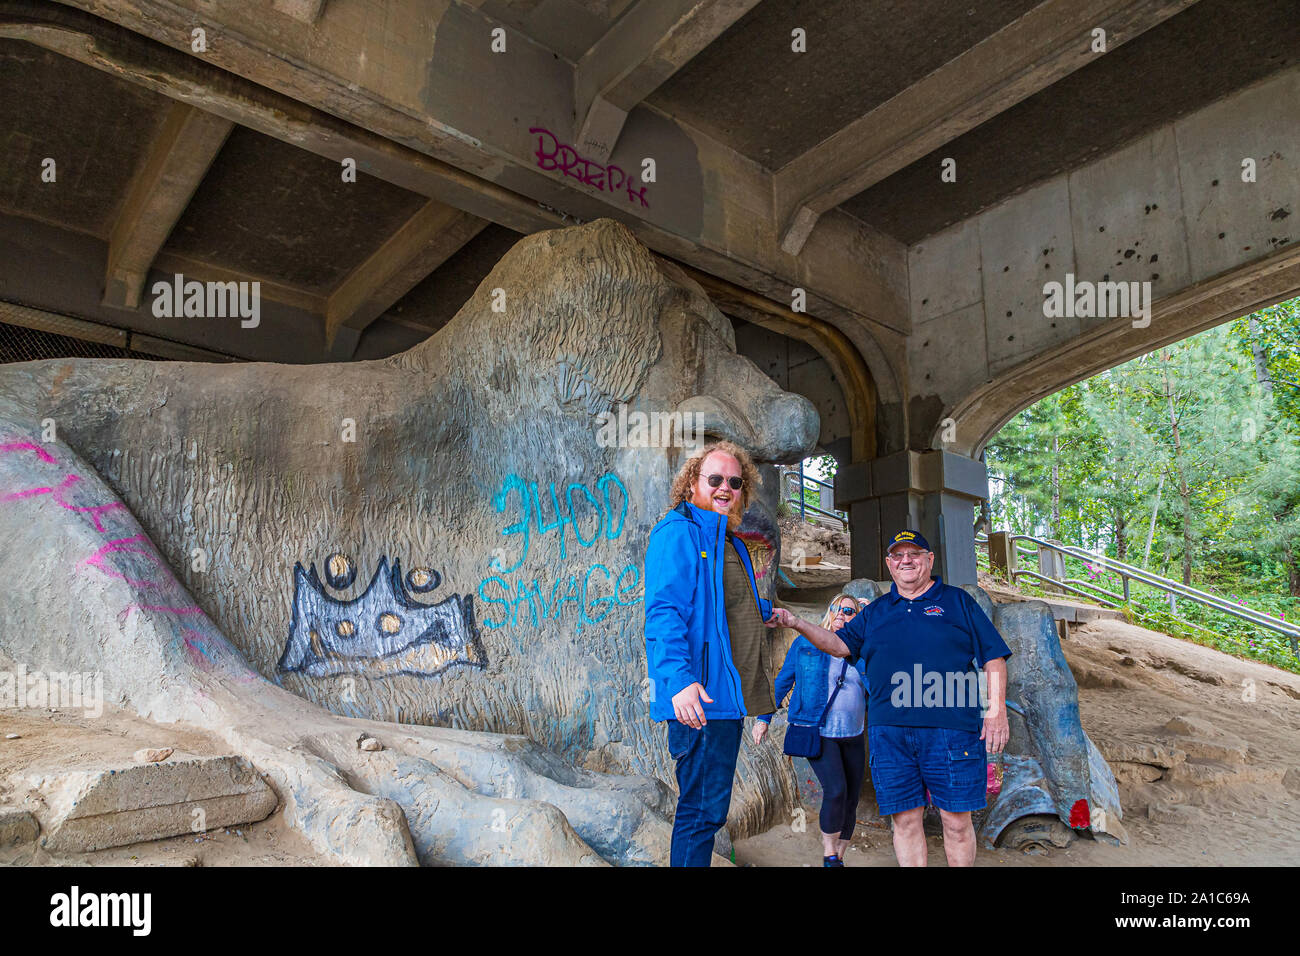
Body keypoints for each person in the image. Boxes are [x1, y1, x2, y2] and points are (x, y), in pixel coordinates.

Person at [766, 530, 1011, 867]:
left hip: (952, 731)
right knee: (905, 821)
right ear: (889, 564)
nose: (906, 560)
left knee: (956, 823)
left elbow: (993, 657)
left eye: (914, 554)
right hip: (890, 735)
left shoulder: (958, 602)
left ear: (930, 560)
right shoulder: (877, 611)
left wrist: (996, 711)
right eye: (898, 556)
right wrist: (796, 622)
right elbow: (839, 645)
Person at [644, 440, 779, 866]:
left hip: (727, 699)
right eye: (715, 479)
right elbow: (664, 612)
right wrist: (679, 682)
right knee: (701, 811)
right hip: (698, 699)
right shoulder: (677, 530)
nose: (726, 487)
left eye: (735, 482)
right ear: (691, 484)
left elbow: (722, 609)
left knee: (710, 810)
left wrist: (765, 614)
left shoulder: (732, 543)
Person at [754, 592, 868, 867]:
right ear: (828, 612)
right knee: (836, 790)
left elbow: (876, 683)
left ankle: (839, 857)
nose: (841, 613)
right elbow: (782, 682)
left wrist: (868, 623)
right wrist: (763, 718)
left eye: (849, 611)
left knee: (852, 798)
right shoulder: (805, 643)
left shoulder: (864, 649)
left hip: (853, 734)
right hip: (818, 730)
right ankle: (829, 855)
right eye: (836, 608)